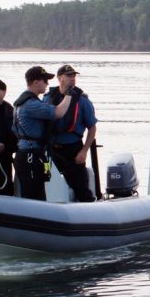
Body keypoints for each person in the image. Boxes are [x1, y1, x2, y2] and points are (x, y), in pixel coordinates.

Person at [12, 66, 77, 201]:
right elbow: (59, 112)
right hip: (30, 155)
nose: (47, 84)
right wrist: (69, 95)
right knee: (33, 195)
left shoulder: (24, 101)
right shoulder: (31, 104)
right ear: (36, 82)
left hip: (30, 154)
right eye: (45, 80)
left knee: (37, 193)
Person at [44, 64, 99, 202]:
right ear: (59, 77)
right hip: (52, 150)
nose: (72, 78)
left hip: (73, 150)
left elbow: (92, 128)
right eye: (69, 76)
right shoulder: (47, 98)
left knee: (80, 186)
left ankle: (88, 209)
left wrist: (84, 151)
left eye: (74, 75)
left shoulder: (83, 101)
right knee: (45, 179)